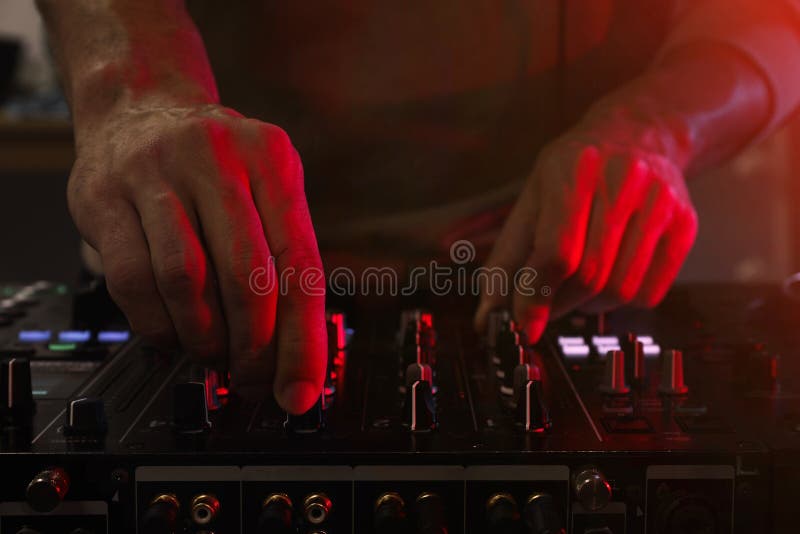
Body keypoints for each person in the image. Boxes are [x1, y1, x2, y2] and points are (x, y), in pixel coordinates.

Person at [35, 0, 800, 414]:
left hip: (552, 288)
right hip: (190, 278)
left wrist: (659, 128)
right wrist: (133, 89)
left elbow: (769, 19)